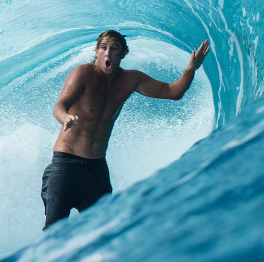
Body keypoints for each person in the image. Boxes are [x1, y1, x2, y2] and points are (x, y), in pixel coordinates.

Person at [41, 30, 210, 230]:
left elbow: (173, 92)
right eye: (103, 48)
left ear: (122, 55)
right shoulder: (82, 74)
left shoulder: (130, 80)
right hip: (65, 166)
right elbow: (59, 106)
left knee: (104, 232)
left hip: (97, 171)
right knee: (54, 232)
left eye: (114, 49)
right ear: (96, 51)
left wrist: (191, 68)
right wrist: (65, 118)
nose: (108, 53)